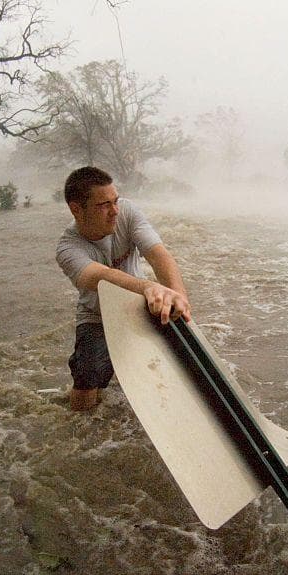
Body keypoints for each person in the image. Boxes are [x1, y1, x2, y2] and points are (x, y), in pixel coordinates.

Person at [56, 166, 191, 411]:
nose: (114, 211)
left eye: (115, 201)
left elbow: (158, 256)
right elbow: (102, 277)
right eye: (103, 205)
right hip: (98, 317)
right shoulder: (67, 249)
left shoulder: (126, 212)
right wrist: (149, 286)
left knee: (170, 366)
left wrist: (179, 298)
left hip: (142, 303)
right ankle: (80, 428)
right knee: (89, 375)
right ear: (76, 209)